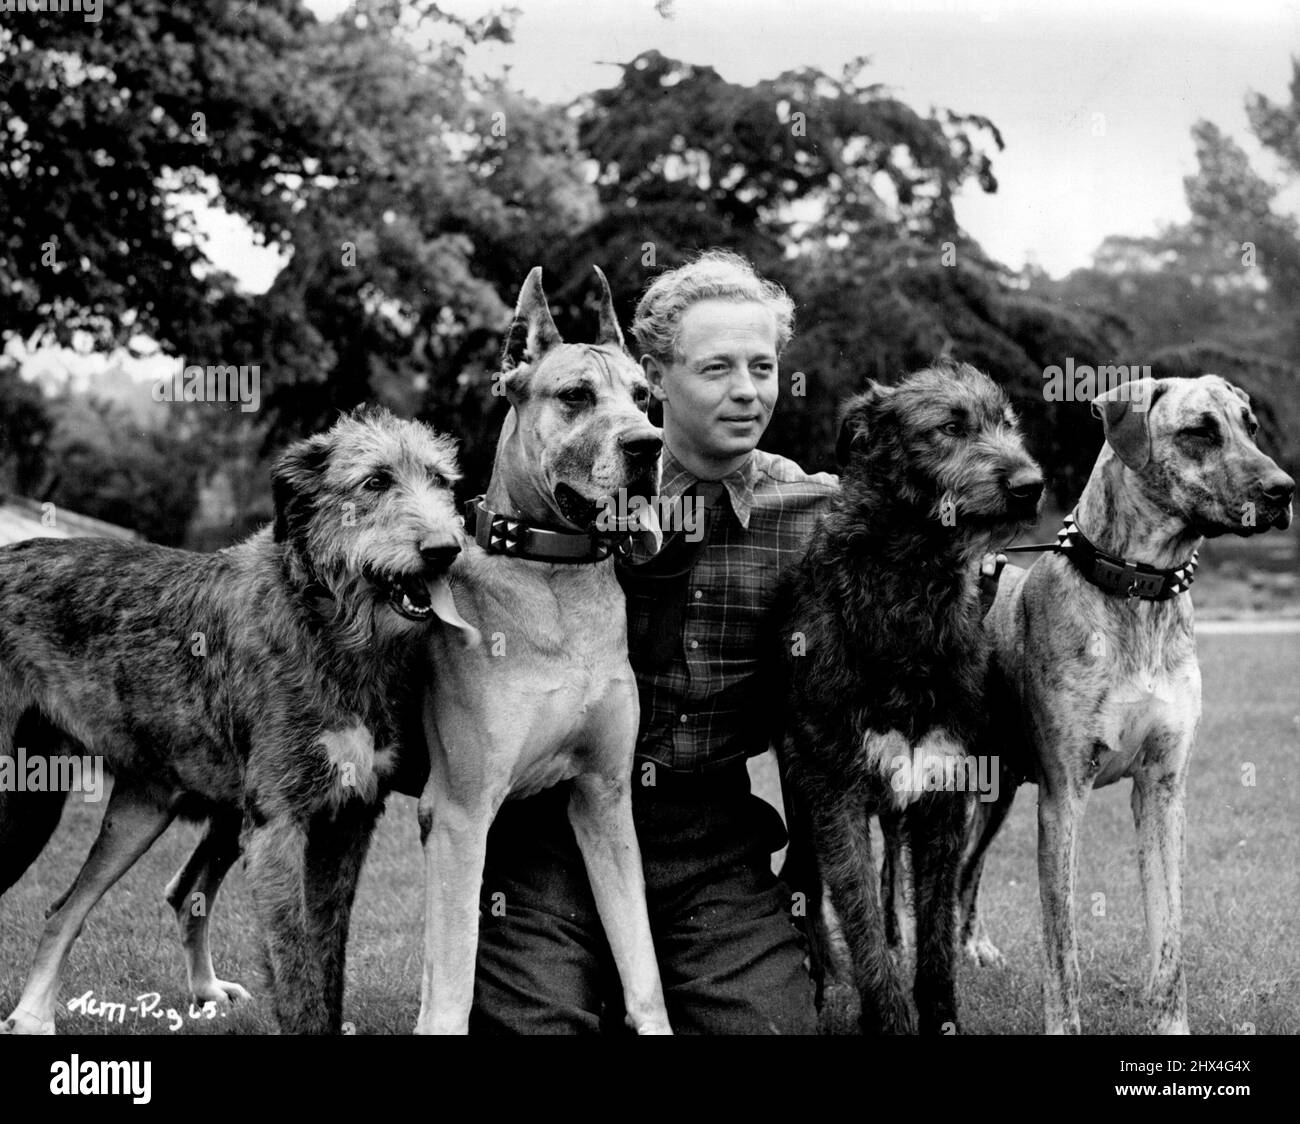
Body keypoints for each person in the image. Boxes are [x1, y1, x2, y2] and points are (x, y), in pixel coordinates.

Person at [470, 250, 837, 1034]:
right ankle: (576, 964)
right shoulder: (564, 498)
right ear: (654, 377)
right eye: (717, 368)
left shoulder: (812, 518)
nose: (747, 390)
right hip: (551, 827)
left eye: (763, 366)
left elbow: (921, 552)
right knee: (535, 1027)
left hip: (706, 839)